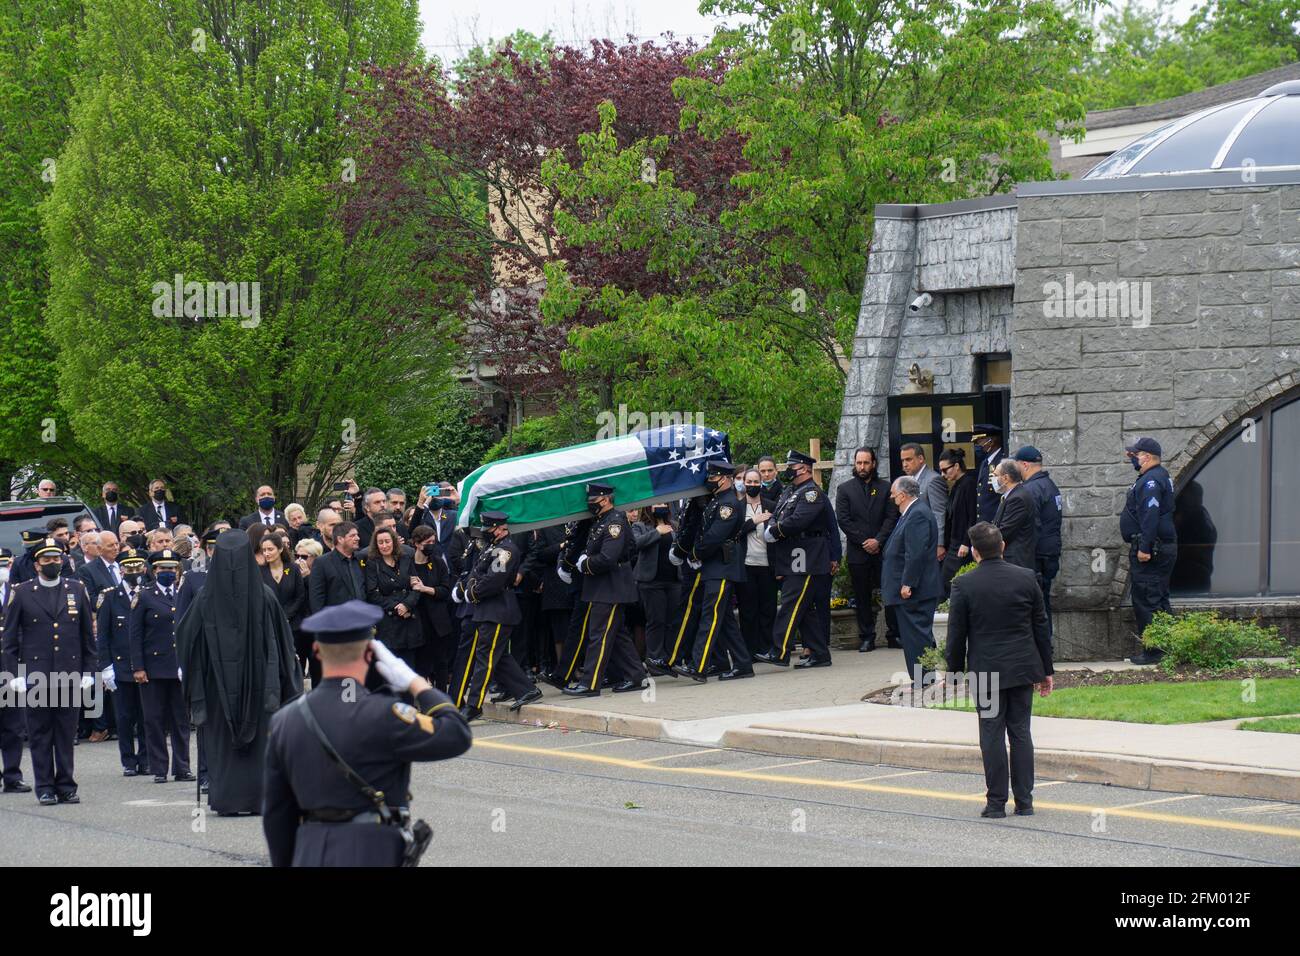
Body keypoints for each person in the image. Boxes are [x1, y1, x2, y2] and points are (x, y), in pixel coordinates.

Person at [261, 600, 472, 867]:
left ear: (316, 651)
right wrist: (415, 683)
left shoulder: (284, 721)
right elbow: (456, 734)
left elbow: (276, 814)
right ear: (370, 654)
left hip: (311, 852)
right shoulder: (384, 714)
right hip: (372, 850)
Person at [175, 529, 300, 814]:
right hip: (258, 686)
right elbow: (283, 646)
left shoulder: (206, 598)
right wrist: (285, 681)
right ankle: (259, 798)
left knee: (223, 743)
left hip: (216, 687)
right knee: (257, 743)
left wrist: (197, 671)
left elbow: (185, 638)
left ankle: (227, 799)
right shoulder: (265, 596)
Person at [945, 522, 1054, 818]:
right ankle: (1025, 802)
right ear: (1003, 547)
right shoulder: (1026, 577)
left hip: (987, 672)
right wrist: (1046, 670)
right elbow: (1041, 627)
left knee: (991, 735)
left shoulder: (964, 585)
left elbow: (957, 634)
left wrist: (954, 672)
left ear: (975, 553)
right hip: (1022, 667)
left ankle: (995, 803)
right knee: (1020, 732)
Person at [1, 538, 97, 804]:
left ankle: (66, 785)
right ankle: (44, 786)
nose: (53, 563)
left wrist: (89, 671)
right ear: (36, 564)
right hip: (35, 675)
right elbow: (9, 639)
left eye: (56, 559)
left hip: (69, 672)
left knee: (66, 733)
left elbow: (87, 636)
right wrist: (14, 675)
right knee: (40, 734)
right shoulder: (21, 592)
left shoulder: (77, 589)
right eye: (47, 560)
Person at [561, 483, 648, 697]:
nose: (590, 506)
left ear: (606, 499)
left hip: (610, 586)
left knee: (598, 635)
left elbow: (608, 558)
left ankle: (590, 684)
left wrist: (585, 564)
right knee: (617, 635)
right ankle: (637, 676)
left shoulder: (614, 522)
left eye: (593, 502)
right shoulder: (601, 521)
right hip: (603, 587)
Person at [672, 461, 752, 682]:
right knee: (725, 621)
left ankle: (698, 666)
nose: (710, 481)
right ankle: (743, 664)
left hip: (722, 567)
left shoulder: (727, 505)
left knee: (710, 617)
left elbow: (714, 537)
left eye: (714, 477)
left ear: (725, 479)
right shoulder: (717, 502)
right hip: (715, 566)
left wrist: (695, 555)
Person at [456, 512, 541, 718]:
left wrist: (472, 592)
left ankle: (474, 705)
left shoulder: (507, 550)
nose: (486, 532)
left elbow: (493, 580)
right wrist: (472, 585)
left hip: (498, 610)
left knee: (485, 658)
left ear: (501, 528)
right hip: (488, 610)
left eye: (489, 529)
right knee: (499, 657)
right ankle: (527, 690)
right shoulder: (492, 548)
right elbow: (476, 572)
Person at [755, 450, 834, 669]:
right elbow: (779, 514)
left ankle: (779, 651)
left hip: (807, 556)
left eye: (793, 466)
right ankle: (820, 653)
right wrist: (774, 526)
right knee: (805, 608)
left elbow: (799, 520)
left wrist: (776, 530)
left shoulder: (811, 493)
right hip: (794, 555)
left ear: (805, 469)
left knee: (790, 602)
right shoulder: (792, 491)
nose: (789, 470)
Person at [130, 549, 192, 783]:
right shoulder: (144, 595)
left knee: (181, 720)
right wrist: (138, 667)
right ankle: (158, 768)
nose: (168, 572)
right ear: (154, 571)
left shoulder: (184, 593)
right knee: (154, 720)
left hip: (179, 667)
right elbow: (135, 635)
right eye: (163, 569)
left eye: (172, 568)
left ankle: (182, 766)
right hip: (153, 668)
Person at [881, 477, 943, 689]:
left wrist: (908, 583)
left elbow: (915, 553)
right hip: (912, 589)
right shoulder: (912, 512)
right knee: (914, 635)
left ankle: (924, 678)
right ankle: (923, 677)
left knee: (916, 635)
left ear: (902, 495)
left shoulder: (917, 514)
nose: (891, 497)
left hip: (915, 590)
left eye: (893, 493)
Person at [836, 447, 899, 652]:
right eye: (859, 463)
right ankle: (867, 637)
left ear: (873, 463)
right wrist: (865, 541)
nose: (862, 467)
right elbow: (843, 520)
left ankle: (894, 635)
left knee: (889, 593)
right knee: (861, 596)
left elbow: (892, 517)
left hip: (882, 551)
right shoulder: (845, 489)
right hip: (858, 552)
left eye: (866, 463)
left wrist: (878, 541)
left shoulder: (886, 487)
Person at [1122, 437, 1177, 665]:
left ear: (1147, 456)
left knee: (1148, 598)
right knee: (1158, 597)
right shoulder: (1154, 476)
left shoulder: (1152, 481)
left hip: (1152, 549)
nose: (1133, 459)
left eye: (1136, 455)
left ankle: (1155, 652)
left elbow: (1150, 515)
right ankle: (1168, 647)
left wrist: (1144, 547)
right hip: (1159, 546)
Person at [96, 547, 150, 777]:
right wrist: (106, 667)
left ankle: (146, 759)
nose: (134, 571)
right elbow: (103, 636)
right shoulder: (110, 596)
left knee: (147, 716)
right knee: (125, 717)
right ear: (121, 570)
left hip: (146, 666)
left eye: (138, 567)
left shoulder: (149, 593)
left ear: (144, 569)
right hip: (120, 665)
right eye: (129, 567)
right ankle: (128, 760)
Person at [1014, 446, 1063, 640]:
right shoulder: (1049, 484)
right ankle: (1045, 647)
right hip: (1049, 552)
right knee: (1042, 601)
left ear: (1024, 465)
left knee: (1036, 603)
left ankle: (1042, 648)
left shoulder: (1031, 489)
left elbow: (1030, 526)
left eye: (1016, 464)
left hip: (1038, 554)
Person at [364, 527, 423, 670]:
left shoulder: (406, 558)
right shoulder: (373, 563)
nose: (384, 546)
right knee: (390, 670)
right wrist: (398, 606)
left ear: (394, 542)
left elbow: (417, 586)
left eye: (387, 541)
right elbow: (372, 594)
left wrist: (407, 605)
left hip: (409, 620)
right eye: (380, 542)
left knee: (409, 669)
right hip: (389, 623)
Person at [0, 549, 32, 793]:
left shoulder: (18, 592)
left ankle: (13, 775)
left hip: (12, 667)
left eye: (4, 563)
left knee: (14, 726)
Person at [634, 504, 681, 671]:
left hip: (673, 580)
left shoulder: (674, 525)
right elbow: (635, 543)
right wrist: (657, 532)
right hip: (651, 582)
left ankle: (669, 659)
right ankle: (654, 659)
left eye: (664, 504)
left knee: (672, 621)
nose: (661, 506)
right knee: (656, 621)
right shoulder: (640, 526)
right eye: (657, 503)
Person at [408, 525, 454, 689]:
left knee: (441, 662)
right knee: (421, 663)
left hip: (438, 623)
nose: (431, 545)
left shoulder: (438, 562)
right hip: (417, 622)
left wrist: (425, 588)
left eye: (433, 542)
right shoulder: (408, 563)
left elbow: (445, 590)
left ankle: (442, 697)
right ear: (417, 543)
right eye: (428, 542)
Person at [899, 442, 947, 562]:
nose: (905, 464)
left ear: (920, 458)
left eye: (908, 460)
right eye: (903, 460)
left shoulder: (933, 480)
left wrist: (939, 544)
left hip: (929, 542)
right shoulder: (909, 480)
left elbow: (939, 513)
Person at [939, 447, 978, 590]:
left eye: (945, 470)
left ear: (956, 466)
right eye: (941, 471)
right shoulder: (956, 485)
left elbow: (972, 515)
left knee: (950, 584)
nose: (943, 474)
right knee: (947, 583)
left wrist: (966, 542)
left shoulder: (968, 484)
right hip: (954, 543)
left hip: (961, 544)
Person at [260, 532, 307, 647]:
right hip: (269, 625)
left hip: (293, 625)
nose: (266, 553)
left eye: (270, 549)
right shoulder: (259, 571)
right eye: (264, 550)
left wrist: (286, 616)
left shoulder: (293, 569)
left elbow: (300, 596)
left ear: (280, 549)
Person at [308, 520, 365, 612]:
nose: (357, 538)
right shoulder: (322, 563)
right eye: (352, 536)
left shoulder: (361, 558)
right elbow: (317, 598)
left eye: (357, 535)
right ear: (340, 539)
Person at [992, 460, 1037, 570]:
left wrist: (982, 541)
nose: (993, 479)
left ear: (1006, 478)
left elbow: (1005, 531)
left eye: (995, 475)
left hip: (1015, 561)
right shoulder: (1012, 495)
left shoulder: (1017, 498)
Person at [971, 425, 1005, 524]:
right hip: (984, 522)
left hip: (995, 522)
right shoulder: (985, 462)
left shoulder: (1002, 461)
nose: (977, 445)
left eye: (979, 441)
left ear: (991, 441)